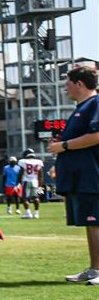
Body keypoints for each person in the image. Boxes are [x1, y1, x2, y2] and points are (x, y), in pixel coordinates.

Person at [47, 65, 99, 284]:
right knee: (91, 222)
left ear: (79, 84)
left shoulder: (95, 103)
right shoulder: (82, 107)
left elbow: (97, 135)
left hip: (93, 174)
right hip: (82, 176)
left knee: (96, 222)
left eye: (67, 83)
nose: (65, 88)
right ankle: (95, 269)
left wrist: (64, 146)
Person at [16, 148, 44, 219]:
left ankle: (28, 213)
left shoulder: (23, 161)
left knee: (24, 198)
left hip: (26, 181)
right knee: (36, 197)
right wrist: (40, 186)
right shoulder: (39, 162)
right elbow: (40, 175)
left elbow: (21, 173)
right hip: (35, 182)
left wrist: (18, 183)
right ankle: (36, 214)